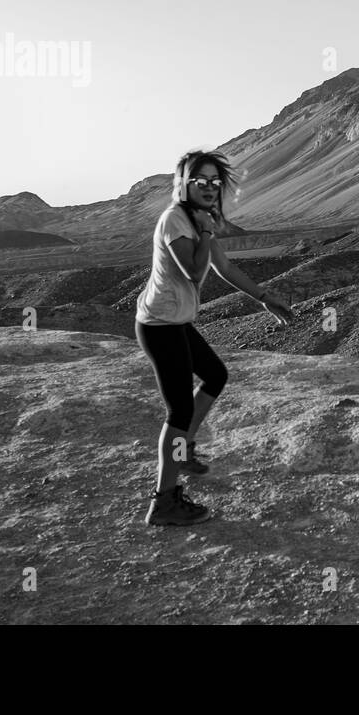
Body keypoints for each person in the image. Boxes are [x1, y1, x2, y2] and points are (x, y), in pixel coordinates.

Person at [134, 149, 294, 526]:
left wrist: (264, 297)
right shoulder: (176, 219)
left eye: (214, 182)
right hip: (160, 327)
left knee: (216, 376)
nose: (209, 187)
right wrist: (206, 230)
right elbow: (192, 271)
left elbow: (222, 267)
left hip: (175, 322)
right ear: (183, 184)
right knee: (179, 411)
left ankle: (183, 448)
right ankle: (165, 501)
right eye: (200, 181)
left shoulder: (196, 218)